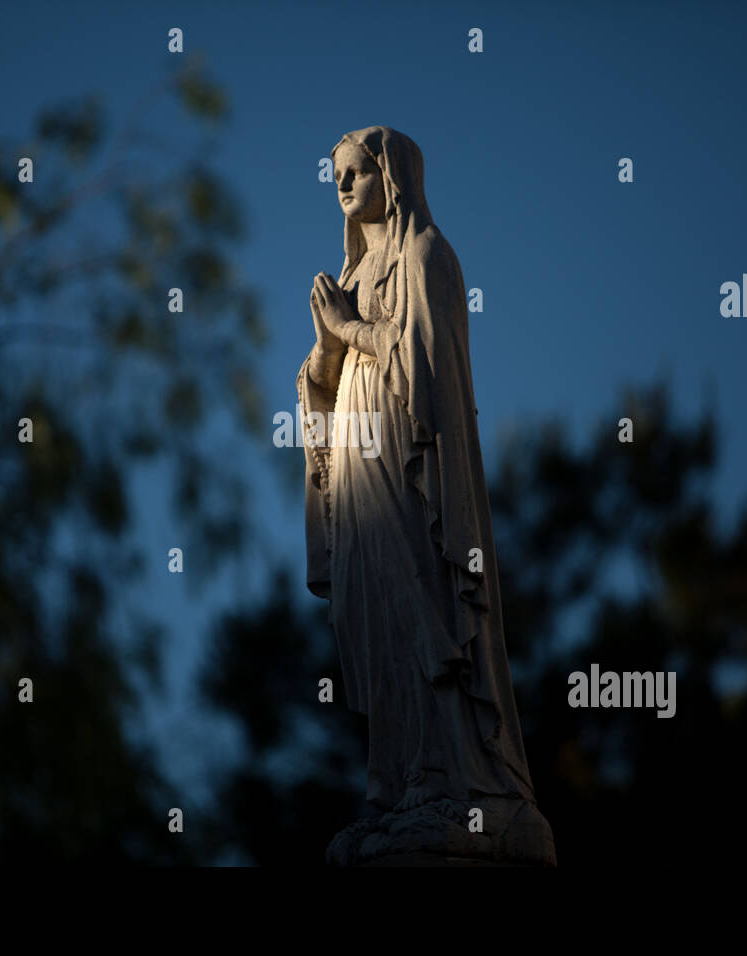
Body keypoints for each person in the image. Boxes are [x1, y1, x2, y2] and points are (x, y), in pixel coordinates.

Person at [297, 127, 540, 816]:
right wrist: (326, 346)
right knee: (371, 614)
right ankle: (394, 779)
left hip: (408, 456)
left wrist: (350, 333)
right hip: (352, 452)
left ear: (393, 177)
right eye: (336, 176)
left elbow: (424, 372)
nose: (343, 185)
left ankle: (448, 771)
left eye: (357, 172)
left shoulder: (427, 257)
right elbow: (320, 383)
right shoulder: (348, 277)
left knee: (419, 602)